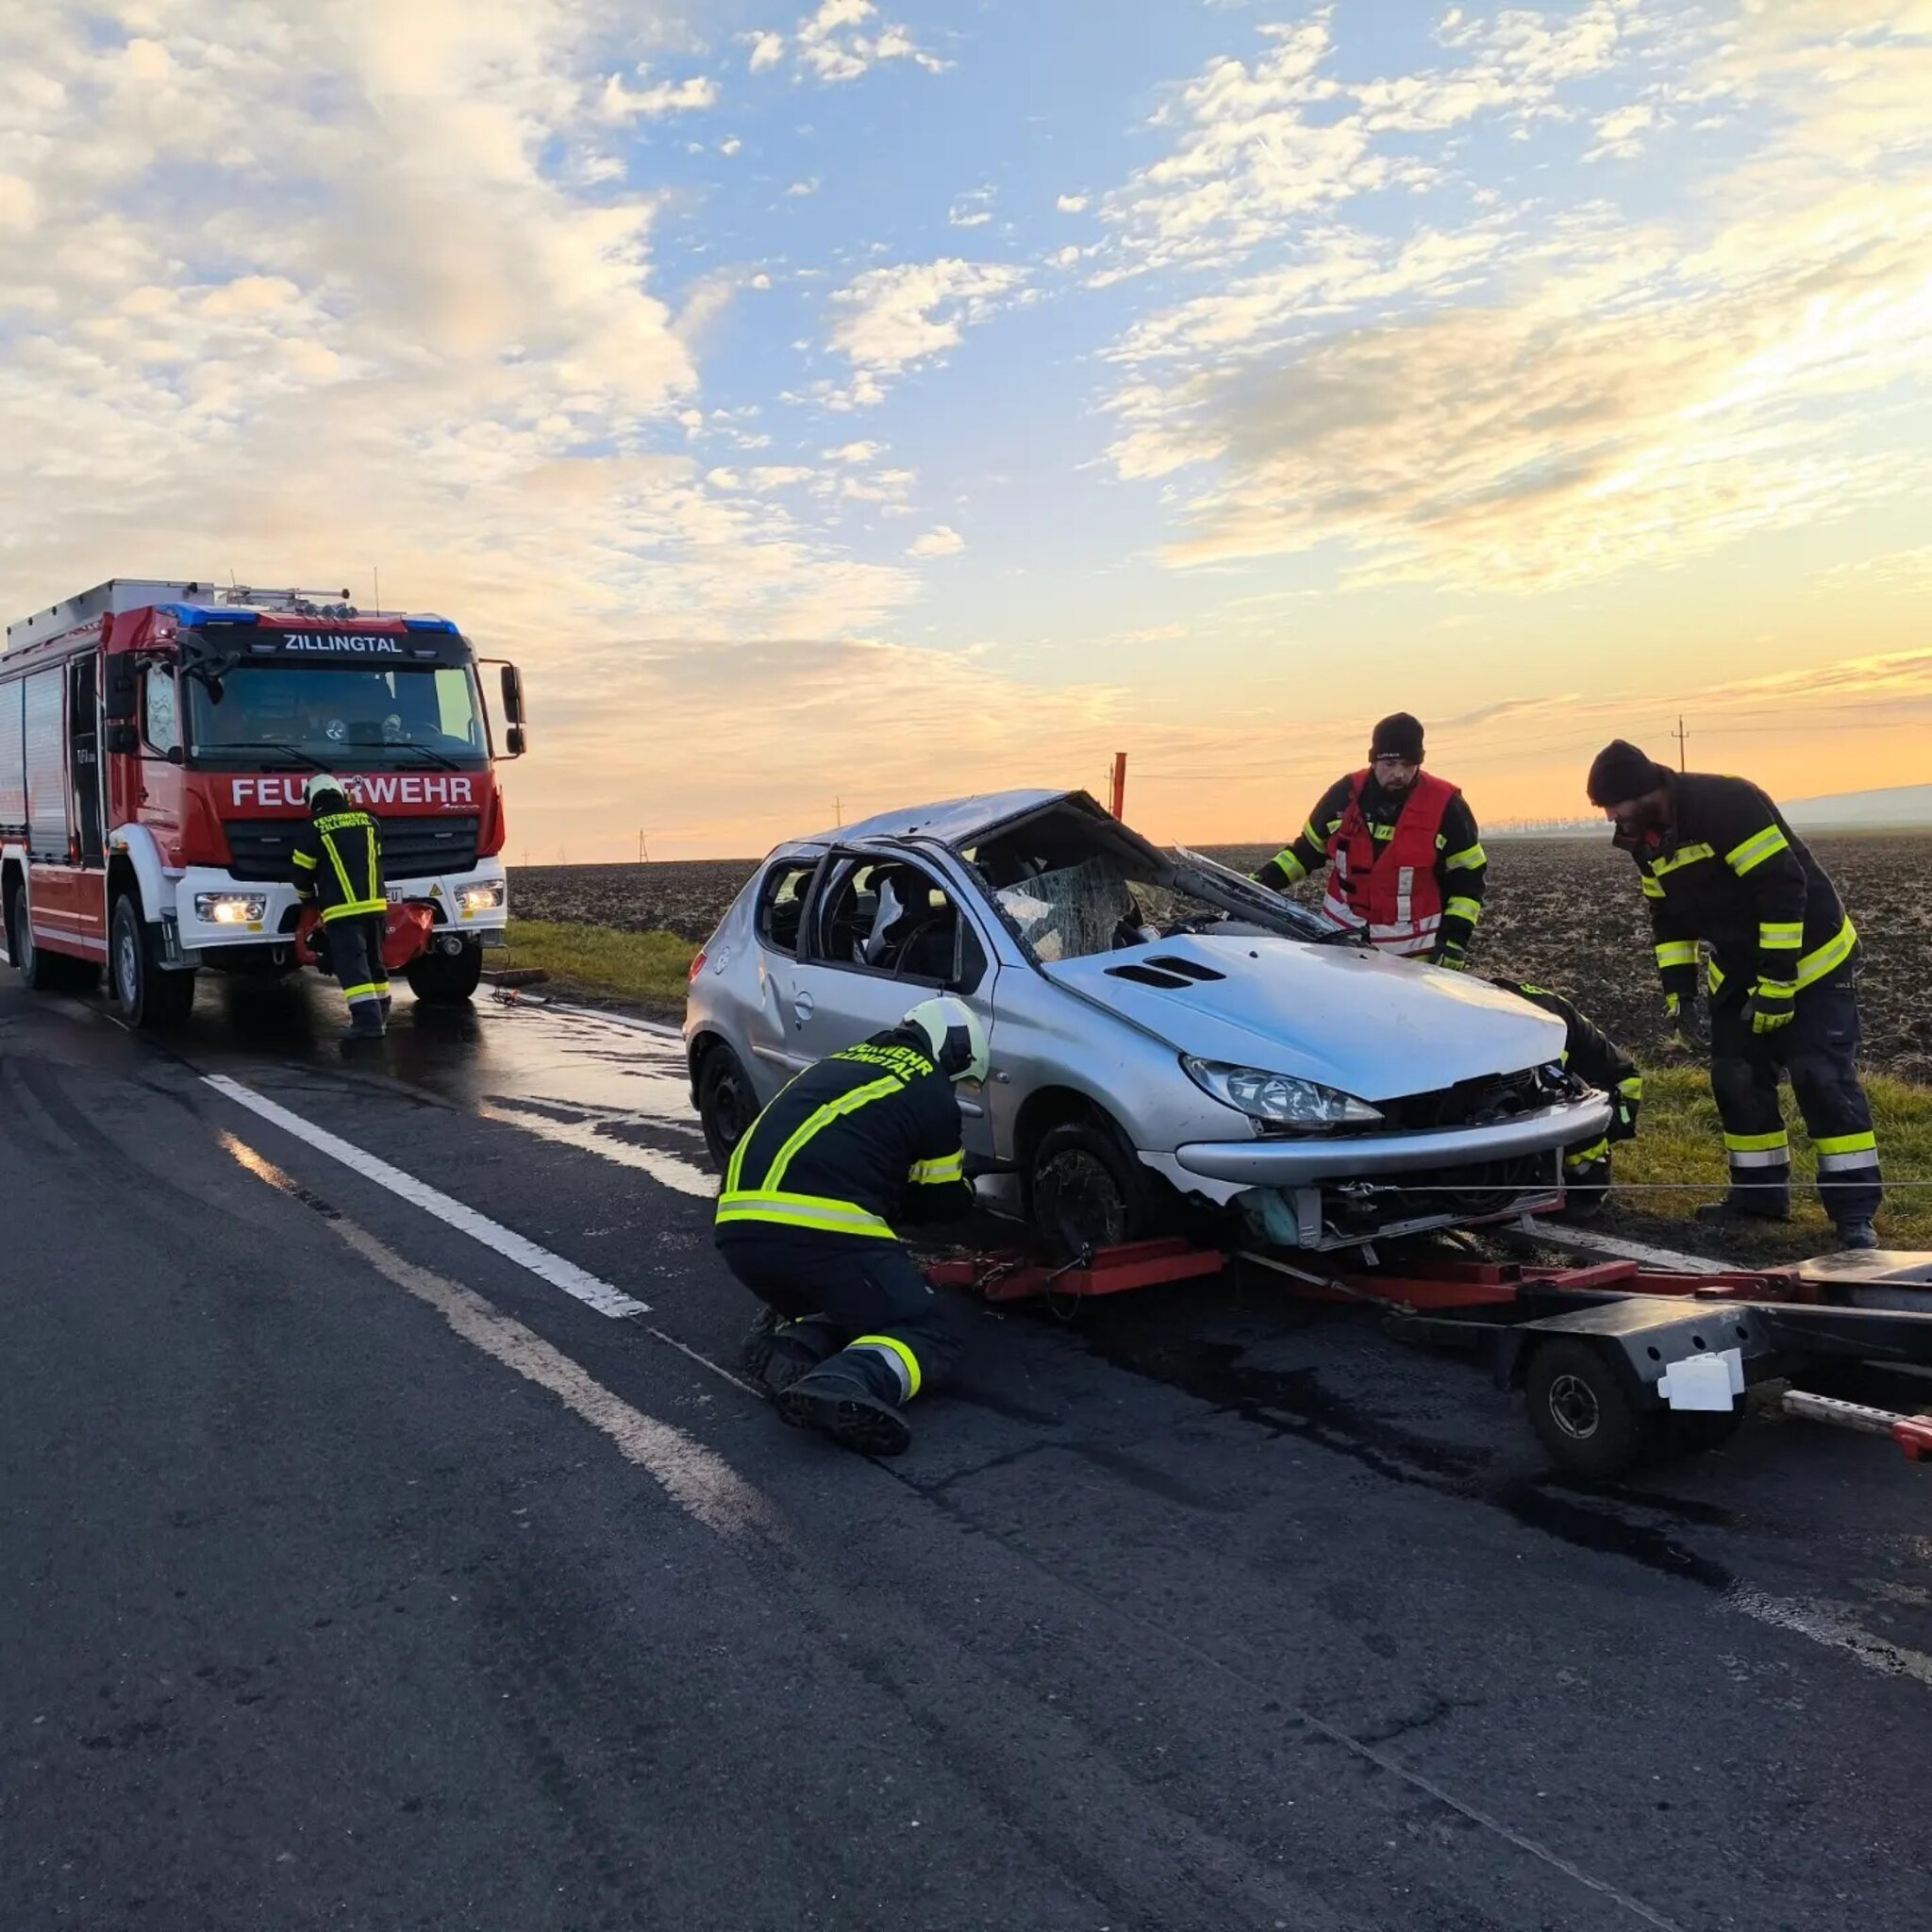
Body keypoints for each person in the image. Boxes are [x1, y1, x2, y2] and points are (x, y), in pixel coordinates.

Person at [1586, 740, 1879, 1249]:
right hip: (1739, 970)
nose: (1612, 816)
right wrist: (1680, 992)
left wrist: (1780, 984)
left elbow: (1782, 888)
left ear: (1646, 791)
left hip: (1812, 960)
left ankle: (1854, 1214)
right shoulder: (1644, 839)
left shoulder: (1725, 804)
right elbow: (1668, 916)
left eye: (1615, 805)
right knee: (1736, 1077)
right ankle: (1759, 1200)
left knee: (1820, 1077)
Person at [715, 996, 990, 1456]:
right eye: (962, 1078)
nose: (957, 1088)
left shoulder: (841, 1063)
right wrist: (967, 1185)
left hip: (738, 1231)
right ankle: (849, 1380)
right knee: (928, 1329)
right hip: (816, 1232)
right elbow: (941, 1203)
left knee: (864, 1306)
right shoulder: (930, 1088)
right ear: (956, 1052)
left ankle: (793, 1348)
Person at [1256, 712, 1488, 967]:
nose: (1399, 774)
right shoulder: (1343, 796)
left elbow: (1468, 881)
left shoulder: (1447, 806)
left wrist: (1453, 943)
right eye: (1390, 765)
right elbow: (1304, 853)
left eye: (1408, 765)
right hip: (1340, 943)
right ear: (1374, 761)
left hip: (1413, 955)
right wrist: (1260, 882)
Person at [1489, 979, 1641, 1218]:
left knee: (1569, 1131)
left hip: (1613, 1093)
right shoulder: (1496, 1007)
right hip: (1573, 1082)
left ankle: (1589, 1184)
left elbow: (1544, 1087)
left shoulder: (1544, 1022)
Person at [291, 773, 391, 1040]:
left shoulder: (314, 827)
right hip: (377, 907)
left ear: (312, 800)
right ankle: (381, 1014)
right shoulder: (369, 822)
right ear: (341, 795)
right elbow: (375, 857)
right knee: (375, 963)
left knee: (352, 967)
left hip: (342, 911)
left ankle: (366, 1023)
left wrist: (308, 901)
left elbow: (302, 873)